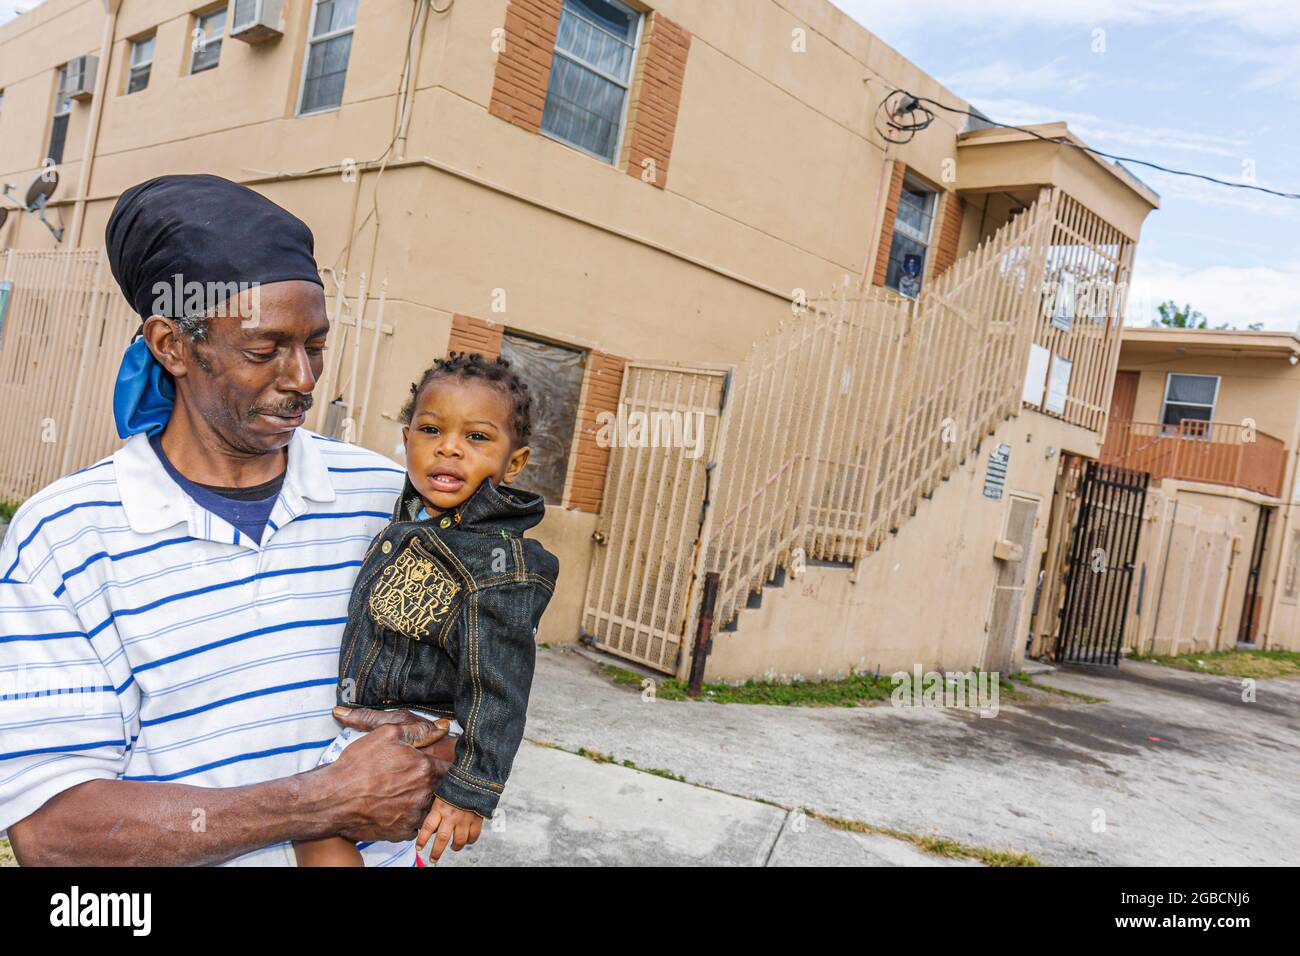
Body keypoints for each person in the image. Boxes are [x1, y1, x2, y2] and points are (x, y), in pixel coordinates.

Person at [0, 173, 452, 866]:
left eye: (316, 346)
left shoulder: (384, 499)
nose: (302, 378)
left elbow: (454, 689)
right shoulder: (67, 539)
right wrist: (322, 801)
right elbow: (55, 835)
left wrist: (442, 743)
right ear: (172, 346)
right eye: (264, 350)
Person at [294, 352, 559, 866]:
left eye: (478, 437)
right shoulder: (410, 519)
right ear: (407, 437)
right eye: (431, 430)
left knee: (316, 823)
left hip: (420, 737)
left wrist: (470, 790)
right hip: (370, 728)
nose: (450, 449)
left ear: (516, 463)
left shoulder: (497, 566)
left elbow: (500, 688)